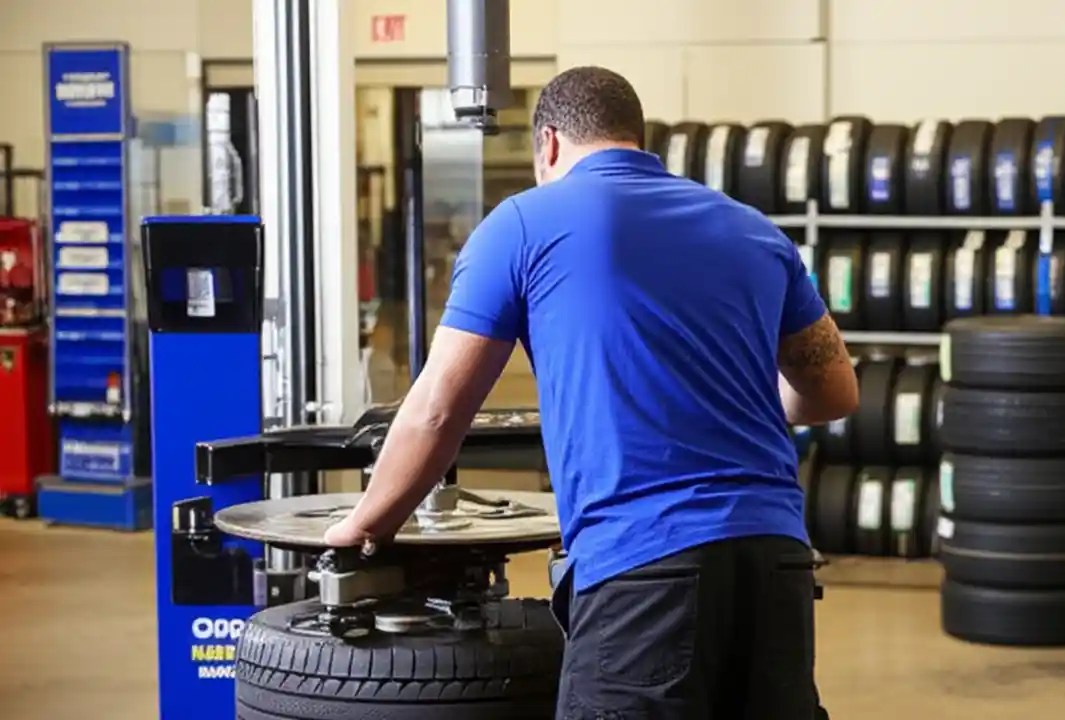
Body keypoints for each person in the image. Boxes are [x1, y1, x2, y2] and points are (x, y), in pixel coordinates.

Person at [323, 66, 859, 719]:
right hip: (776, 563)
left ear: (547, 143)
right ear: (638, 138)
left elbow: (438, 410)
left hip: (644, 567)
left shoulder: (523, 223)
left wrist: (365, 524)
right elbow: (834, 392)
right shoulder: (752, 231)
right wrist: (726, 407)